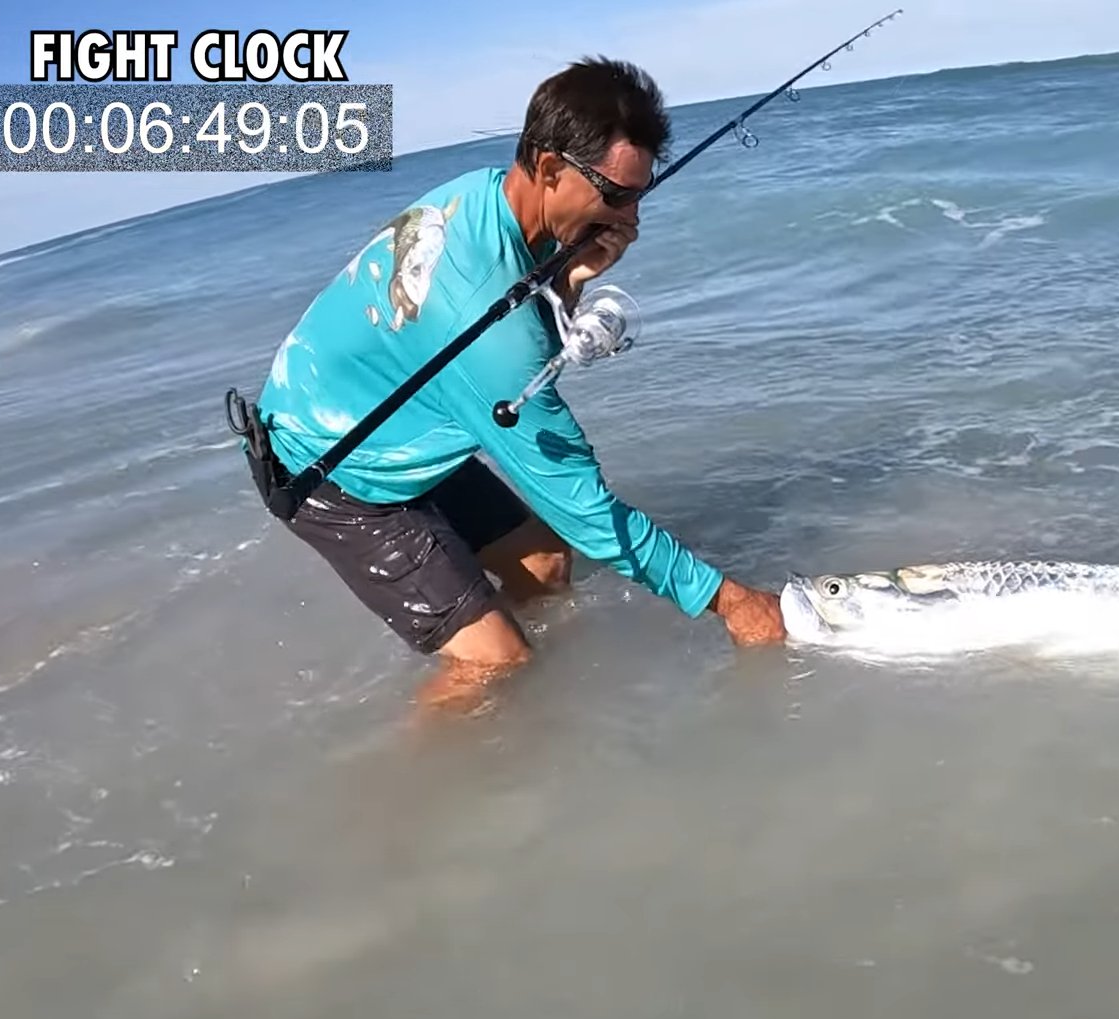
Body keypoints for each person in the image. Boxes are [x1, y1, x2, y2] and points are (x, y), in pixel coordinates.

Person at [246, 56, 787, 711]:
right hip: (328, 466)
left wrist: (568, 280)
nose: (632, 219)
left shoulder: (488, 194)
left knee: (546, 566)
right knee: (496, 666)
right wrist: (730, 602)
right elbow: (582, 504)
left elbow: (502, 344)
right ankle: (395, 799)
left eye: (641, 194)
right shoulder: (483, 312)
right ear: (551, 166)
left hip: (394, 411)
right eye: (616, 196)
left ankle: (541, 692)